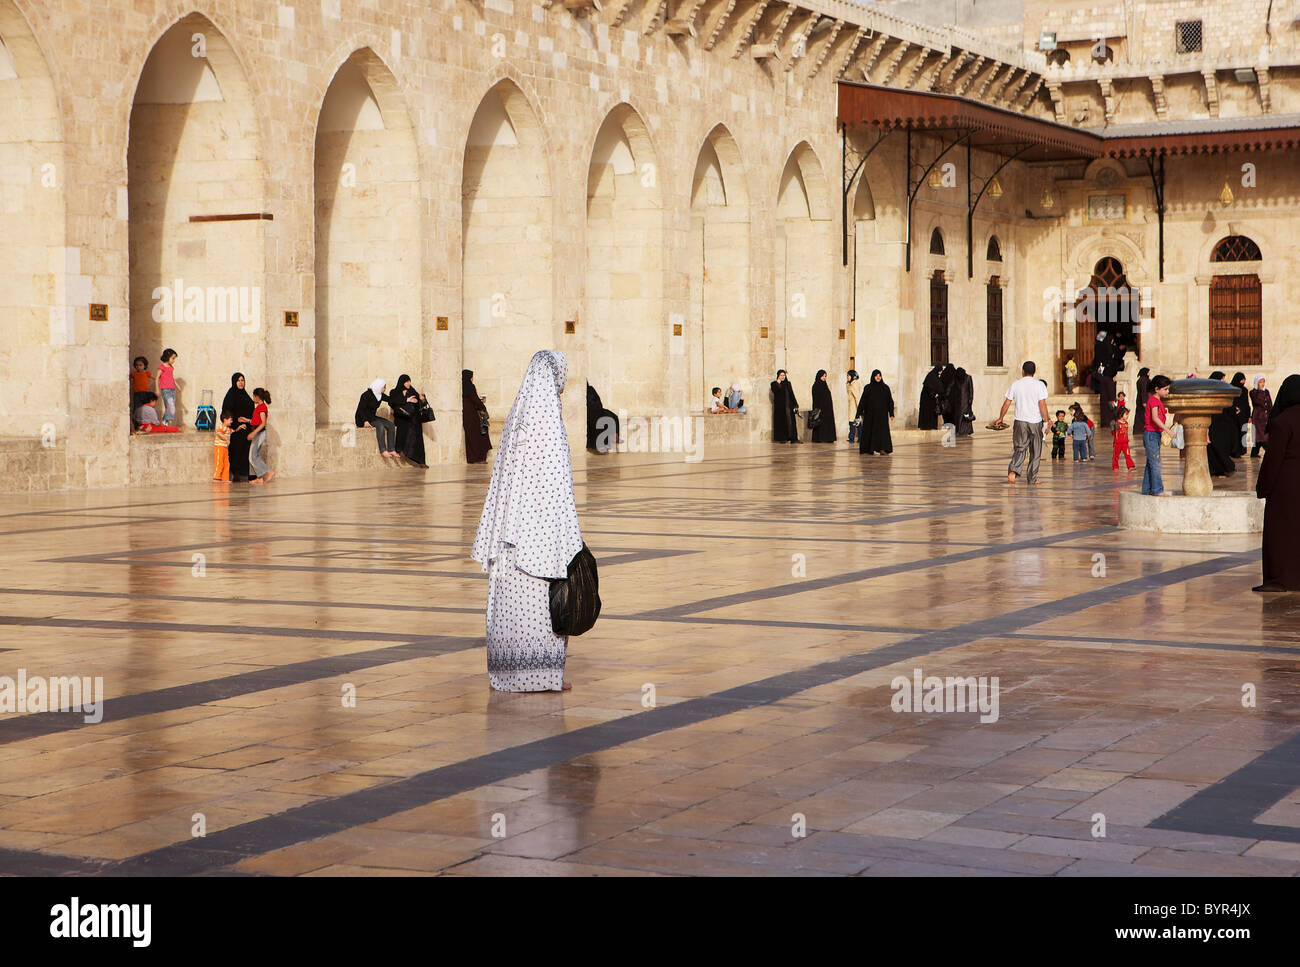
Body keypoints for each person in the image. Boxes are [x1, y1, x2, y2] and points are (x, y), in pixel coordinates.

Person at [470, 350, 583, 691]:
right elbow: (558, 485)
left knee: (510, 611)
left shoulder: (518, 419)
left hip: (509, 539)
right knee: (539, 611)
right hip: (540, 541)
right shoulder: (549, 421)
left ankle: (507, 674)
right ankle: (543, 676)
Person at [1255, 374, 1300, 591]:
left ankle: (1280, 578)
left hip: (1287, 484)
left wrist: (1263, 487)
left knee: (1281, 531)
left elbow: (1273, 459)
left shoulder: (1283, 422)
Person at [995, 361, 1049, 485]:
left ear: (1023, 371)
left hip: (1020, 421)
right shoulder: (1040, 385)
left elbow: (1007, 402)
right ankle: (1032, 478)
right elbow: (1042, 404)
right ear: (1035, 371)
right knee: (1035, 451)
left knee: (1020, 447)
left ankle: (1013, 470)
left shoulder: (1016, 384)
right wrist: (1046, 421)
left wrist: (1000, 418)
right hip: (1035, 421)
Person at [1141, 375, 1173, 496]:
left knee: (1151, 462)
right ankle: (1158, 490)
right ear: (1156, 389)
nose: (1167, 392)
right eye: (1165, 389)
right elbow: (1154, 418)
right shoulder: (1153, 401)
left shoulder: (1157, 401)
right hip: (1151, 434)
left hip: (1155, 434)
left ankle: (1147, 489)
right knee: (1156, 463)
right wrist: (1167, 430)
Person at [391, 374, 429, 468]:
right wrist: (405, 398)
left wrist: (422, 400)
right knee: (405, 429)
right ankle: (400, 449)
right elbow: (392, 402)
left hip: (414, 419)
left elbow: (420, 405)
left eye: (409, 381)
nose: (409, 383)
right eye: (407, 381)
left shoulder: (412, 391)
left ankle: (421, 461)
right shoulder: (395, 392)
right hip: (403, 418)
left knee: (418, 436)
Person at [223, 373, 256, 479]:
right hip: (236, 430)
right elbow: (226, 412)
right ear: (234, 382)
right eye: (238, 381)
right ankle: (236, 473)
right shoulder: (231, 395)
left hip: (247, 429)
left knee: (246, 451)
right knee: (237, 450)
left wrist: (249, 422)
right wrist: (236, 425)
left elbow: (252, 411)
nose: (241, 383)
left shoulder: (245, 395)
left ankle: (244, 474)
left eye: (242, 380)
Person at [355, 378, 397, 458]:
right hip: (362, 419)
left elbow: (391, 399)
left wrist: (406, 399)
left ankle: (391, 449)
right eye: (383, 387)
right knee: (380, 425)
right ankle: (383, 450)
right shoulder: (366, 395)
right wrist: (365, 421)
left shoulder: (379, 395)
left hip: (372, 417)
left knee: (391, 425)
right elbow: (361, 410)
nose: (385, 389)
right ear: (378, 386)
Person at [856, 369, 894, 455]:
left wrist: (891, 413)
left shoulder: (885, 388)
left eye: (879, 375)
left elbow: (890, 401)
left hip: (882, 416)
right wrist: (858, 413)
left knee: (882, 433)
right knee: (870, 431)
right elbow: (863, 401)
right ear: (873, 376)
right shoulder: (868, 388)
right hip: (870, 415)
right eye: (876, 375)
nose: (878, 377)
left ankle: (882, 449)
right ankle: (870, 449)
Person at [247, 387, 276, 484]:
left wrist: (253, 433)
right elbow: (256, 421)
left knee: (253, 456)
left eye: (254, 396)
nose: (253, 398)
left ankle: (268, 471)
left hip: (259, 433)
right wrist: (246, 420)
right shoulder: (258, 408)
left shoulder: (262, 407)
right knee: (252, 456)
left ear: (257, 397)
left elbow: (263, 423)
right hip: (257, 433)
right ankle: (258, 477)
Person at [464, 371, 493, 463]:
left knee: (470, 437)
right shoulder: (470, 386)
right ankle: (479, 458)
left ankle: (472, 458)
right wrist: (482, 406)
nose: (472, 379)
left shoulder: (462, 386)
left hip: (465, 414)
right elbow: (474, 399)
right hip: (472, 415)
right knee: (479, 435)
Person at [586, 383, 619, 452]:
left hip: (598, 409)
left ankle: (614, 439)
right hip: (590, 412)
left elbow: (598, 402)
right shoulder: (586, 391)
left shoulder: (590, 389)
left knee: (613, 416)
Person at [770, 370, 799, 443]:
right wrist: (778, 382)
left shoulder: (788, 383)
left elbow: (791, 394)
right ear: (778, 376)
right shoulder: (774, 384)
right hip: (780, 407)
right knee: (782, 422)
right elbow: (775, 390)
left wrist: (795, 404)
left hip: (789, 406)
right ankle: (782, 438)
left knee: (791, 422)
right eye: (781, 375)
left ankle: (793, 438)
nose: (782, 377)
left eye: (784, 375)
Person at [809, 370, 836, 443]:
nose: (824, 378)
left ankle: (828, 438)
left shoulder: (825, 385)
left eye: (825, 376)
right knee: (819, 423)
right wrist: (818, 408)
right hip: (820, 408)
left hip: (827, 409)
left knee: (827, 424)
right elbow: (816, 398)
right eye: (823, 376)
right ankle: (819, 438)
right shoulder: (816, 385)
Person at [1250, 376, 1272, 458]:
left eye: (1263, 382)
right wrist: (1260, 391)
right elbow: (1258, 401)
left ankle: (1254, 452)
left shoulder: (1266, 391)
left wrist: (1271, 413)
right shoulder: (1253, 392)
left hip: (1265, 416)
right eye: (1260, 382)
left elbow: (1269, 403)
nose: (1262, 384)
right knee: (1260, 434)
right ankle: (1268, 449)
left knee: (1262, 434)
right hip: (1258, 416)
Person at [1230, 372, 1251, 457]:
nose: (1243, 381)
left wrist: (1249, 415)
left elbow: (1246, 403)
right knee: (1234, 433)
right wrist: (1235, 408)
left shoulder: (1245, 390)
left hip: (1242, 415)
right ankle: (1233, 451)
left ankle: (1241, 450)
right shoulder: (1230, 389)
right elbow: (1230, 400)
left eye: (1244, 379)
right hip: (1233, 415)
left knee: (1242, 432)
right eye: (1242, 380)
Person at [158, 349, 178, 426]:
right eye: (172, 358)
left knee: (170, 407)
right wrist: (157, 389)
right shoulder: (162, 367)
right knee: (171, 407)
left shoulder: (171, 368)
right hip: (165, 390)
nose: (173, 360)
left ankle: (164, 423)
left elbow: (172, 378)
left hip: (172, 389)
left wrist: (177, 386)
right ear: (167, 357)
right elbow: (157, 378)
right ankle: (169, 423)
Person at [918, 366, 942, 430]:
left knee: (932, 412)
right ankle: (926, 426)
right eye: (940, 370)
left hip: (931, 398)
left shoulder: (934, 376)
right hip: (927, 398)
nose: (940, 372)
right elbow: (928, 386)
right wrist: (934, 393)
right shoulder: (931, 376)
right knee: (927, 412)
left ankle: (932, 425)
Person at [1112, 405, 1136, 471]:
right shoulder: (1117, 423)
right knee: (1116, 455)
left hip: (1125, 442)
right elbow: (1113, 433)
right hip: (1118, 443)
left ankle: (1130, 466)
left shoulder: (1126, 423)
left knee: (1127, 454)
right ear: (1121, 415)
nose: (1127, 416)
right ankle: (1115, 466)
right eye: (1126, 414)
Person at [954, 367, 974, 436]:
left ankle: (962, 430)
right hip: (960, 400)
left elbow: (970, 390)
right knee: (961, 416)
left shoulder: (968, 378)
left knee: (965, 416)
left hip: (965, 400)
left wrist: (970, 400)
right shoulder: (957, 378)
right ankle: (960, 430)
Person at [213, 411, 233, 481]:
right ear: (225, 419)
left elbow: (233, 431)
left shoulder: (227, 428)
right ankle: (216, 477)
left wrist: (239, 427)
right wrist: (226, 439)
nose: (231, 421)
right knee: (219, 462)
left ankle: (225, 478)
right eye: (230, 420)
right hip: (220, 447)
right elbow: (219, 433)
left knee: (226, 464)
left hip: (225, 448)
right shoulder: (222, 427)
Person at [845, 370, 861, 444]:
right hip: (851, 407)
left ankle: (854, 438)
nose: (847, 377)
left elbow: (857, 397)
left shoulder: (854, 384)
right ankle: (853, 438)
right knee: (853, 423)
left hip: (855, 407)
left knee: (855, 423)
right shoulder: (849, 384)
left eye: (848, 375)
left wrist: (859, 408)